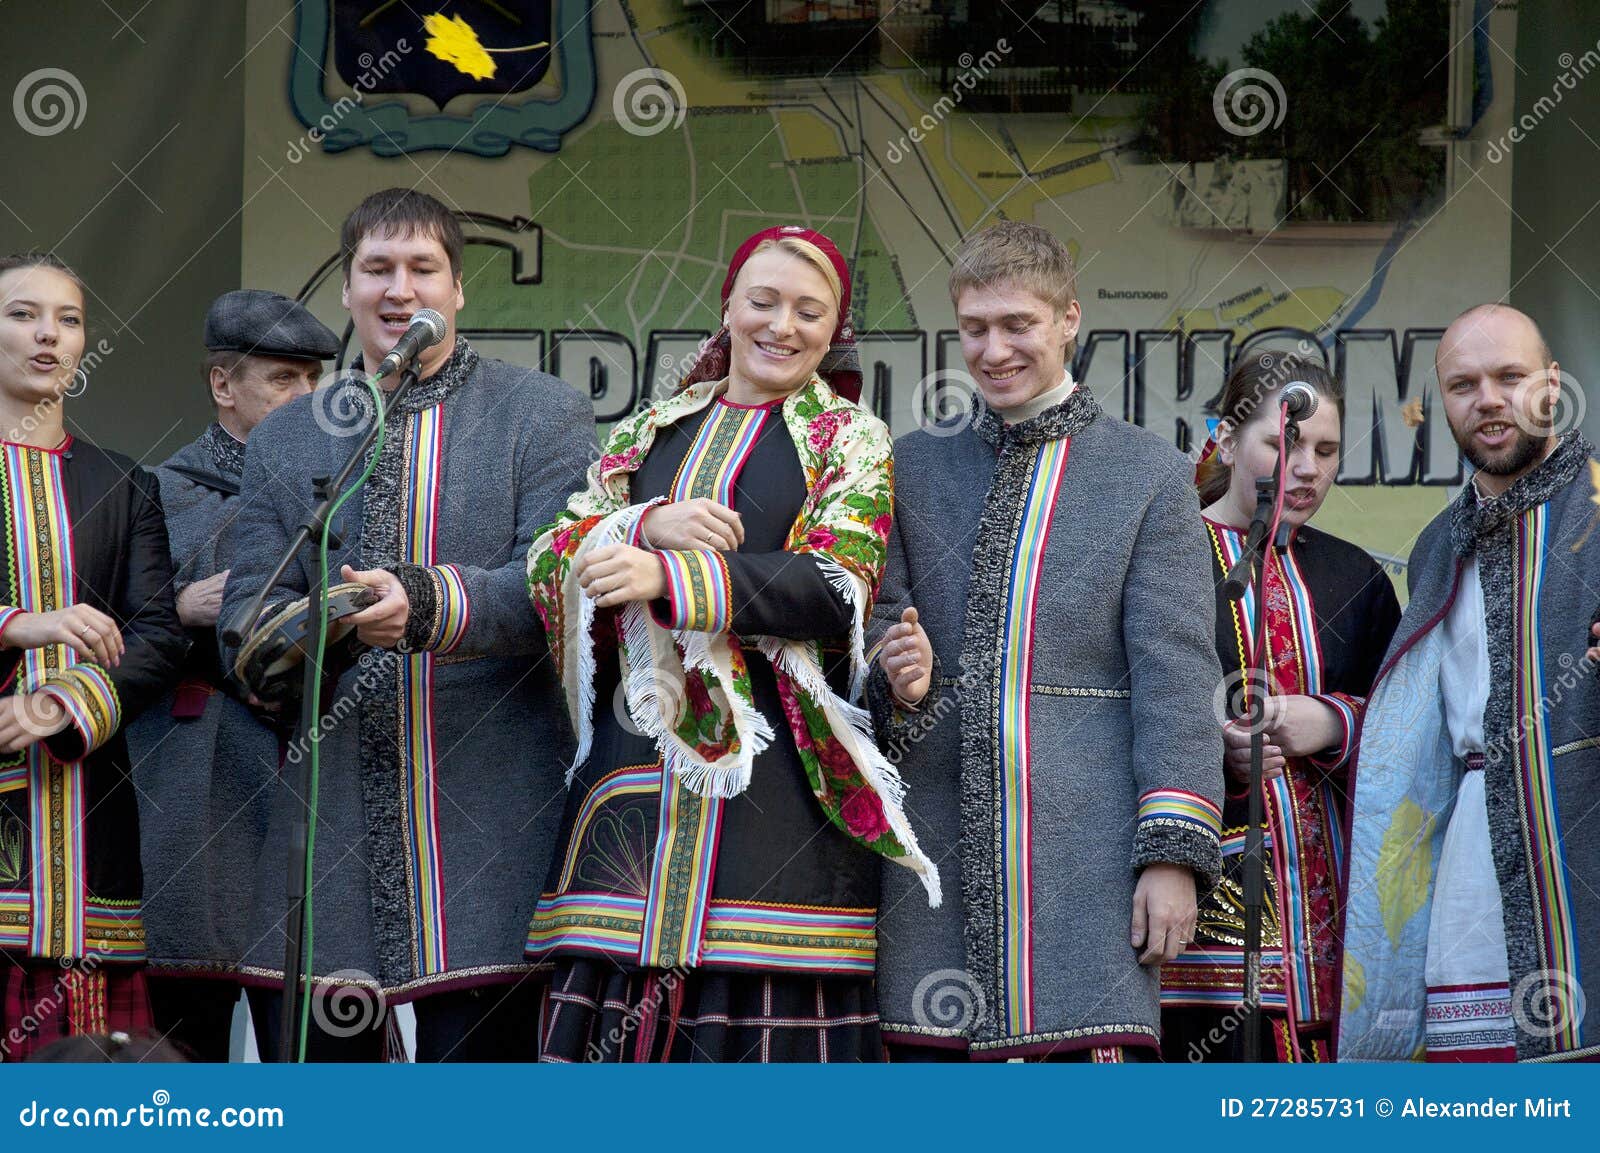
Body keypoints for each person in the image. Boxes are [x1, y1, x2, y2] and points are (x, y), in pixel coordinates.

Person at [524, 225, 937, 1063]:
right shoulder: (646, 430)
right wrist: (644, 522)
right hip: (634, 775)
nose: (783, 325)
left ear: (834, 331)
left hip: (779, 795)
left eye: (808, 311)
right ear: (728, 307)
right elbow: (546, 559)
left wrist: (668, 579)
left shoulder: (850, 438)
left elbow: (837, 586)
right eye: (764, 301)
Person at [218, 189, 596, 1061]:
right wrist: (302, 629)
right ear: (346, 290)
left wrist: (424, 603)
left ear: (458, 288)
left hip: (491, 820)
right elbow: (243, 618)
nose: (399, 289)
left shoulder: (541, 412)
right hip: (328, 823)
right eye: (376, 269)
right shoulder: (290, 437)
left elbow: (557, 586)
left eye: (421, 267)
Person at [868, 220, 1223, 1061]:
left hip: (1090, 867)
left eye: (1016, 324)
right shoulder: (908, 464)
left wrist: (1173, 855)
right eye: (974, 328)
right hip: (931, 864)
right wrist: (895, 675)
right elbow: (879, 620)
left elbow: (1176, 674)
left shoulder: (1149, 473)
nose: (993, 349)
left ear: (1069, 317)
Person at [1341, 303, 1599, 1063]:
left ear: (1553, 383)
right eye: (1464, 384)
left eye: (1510, 377)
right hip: (1466, 862)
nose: (1488, 398)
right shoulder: (1434, 545)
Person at [1159, 354, 1400, 1062]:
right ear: (1228, 441)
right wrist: (1220, 753)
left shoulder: (1357, 576)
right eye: (1283, 444)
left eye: (1325, 450)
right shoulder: (1165, 557)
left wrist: (1330, 721)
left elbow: (1411, 723)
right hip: (1202, 920)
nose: (1306, 468)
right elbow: (1122, 710)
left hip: (1333, 920)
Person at [125, 290, 339, 1061]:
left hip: (316, 784)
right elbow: (98, 644)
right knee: (187, 1038)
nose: (307, 399)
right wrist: (173, 609)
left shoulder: (347, 484)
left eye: (316, 379)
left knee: (322, 1034)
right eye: (285, 379)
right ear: (224, 385)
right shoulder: (153, 490)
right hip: (202, 796)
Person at [0, 252, 187, 1060]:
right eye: (22, 314)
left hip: (86, 831)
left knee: (79, 1090)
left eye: (68, 320)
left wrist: (58, 703)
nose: (48, 334)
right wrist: (18, 624)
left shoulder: (122, 483)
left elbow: (158, 636)